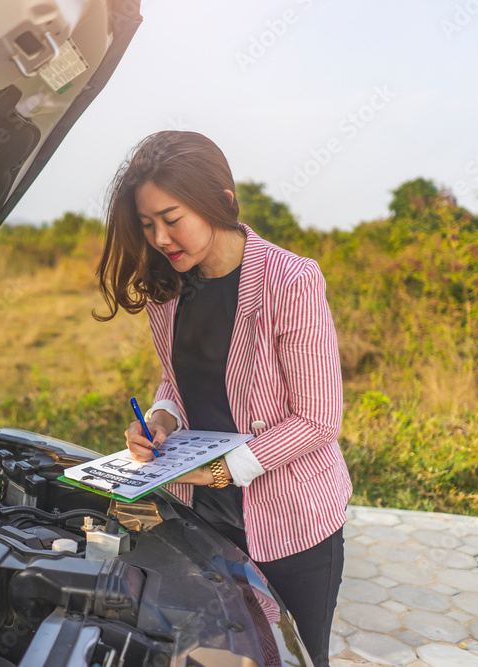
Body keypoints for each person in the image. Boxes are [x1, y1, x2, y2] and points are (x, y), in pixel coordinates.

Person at [94, 131, 351, 666]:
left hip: (291, 520)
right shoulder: (168, 287)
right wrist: (160, 419)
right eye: (147, 225)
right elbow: (177, 380)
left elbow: (318, 419)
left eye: (171, 217)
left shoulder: (290, 279)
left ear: (222, 203)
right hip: (202, 517)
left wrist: (218, 471)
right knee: (210, 653)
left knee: (298, 657)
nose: (161, 238)